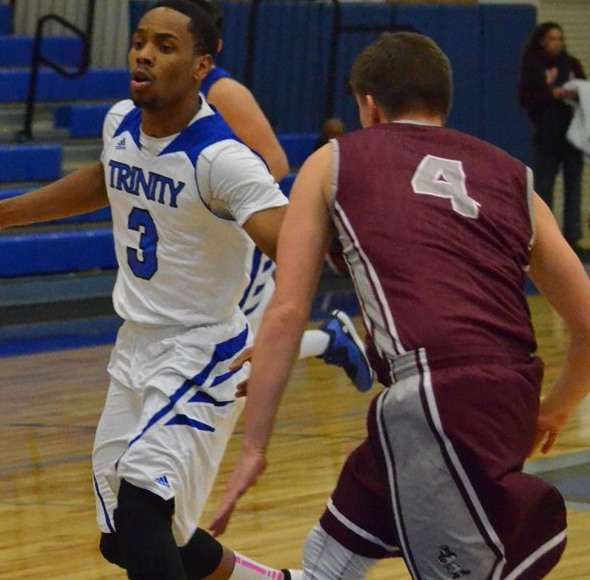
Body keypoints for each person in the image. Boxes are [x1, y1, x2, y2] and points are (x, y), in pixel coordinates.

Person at [211, 32, 590, 580]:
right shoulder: (515, 178)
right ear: (444, 101)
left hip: (433, 397)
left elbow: (288, 308)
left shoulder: (334, 160)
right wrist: (555, 408)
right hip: (488, 399)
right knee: (328, 562)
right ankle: (190, 561)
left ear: (367, 103)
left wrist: (253, 447)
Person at [0, 0, 303, 580]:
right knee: (125, 539)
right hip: (136, 346)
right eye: (140, 40)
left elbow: (295, 245)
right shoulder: (120, 120)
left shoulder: (221, 158)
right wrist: (2, 215)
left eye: (165, 46)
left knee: (144, 514)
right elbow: (107, 175)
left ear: (202, 66)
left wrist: (282, 333)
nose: (144, 52)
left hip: (202, 349)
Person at [183, 0, 371, 393]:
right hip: (206, 241)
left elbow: (276, 161)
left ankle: (328, 340)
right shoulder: (165, 96)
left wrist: (218, 201)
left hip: (247, 235)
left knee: (237, 364)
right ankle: (330, 340)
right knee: (225, 364)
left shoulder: (222, 91)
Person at [519, 22, 586, 248]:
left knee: (573, 186)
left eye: (559, 38)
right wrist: (551, 94)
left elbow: (585, 92)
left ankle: (572, 238)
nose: (557, 43)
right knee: (544, 186)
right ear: (542, 41)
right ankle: (543, 237)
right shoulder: (533, 65)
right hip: (547, 134)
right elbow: (526, 98)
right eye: (552, 39)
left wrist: (575, 93)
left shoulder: (572, 64)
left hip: (572, 136)